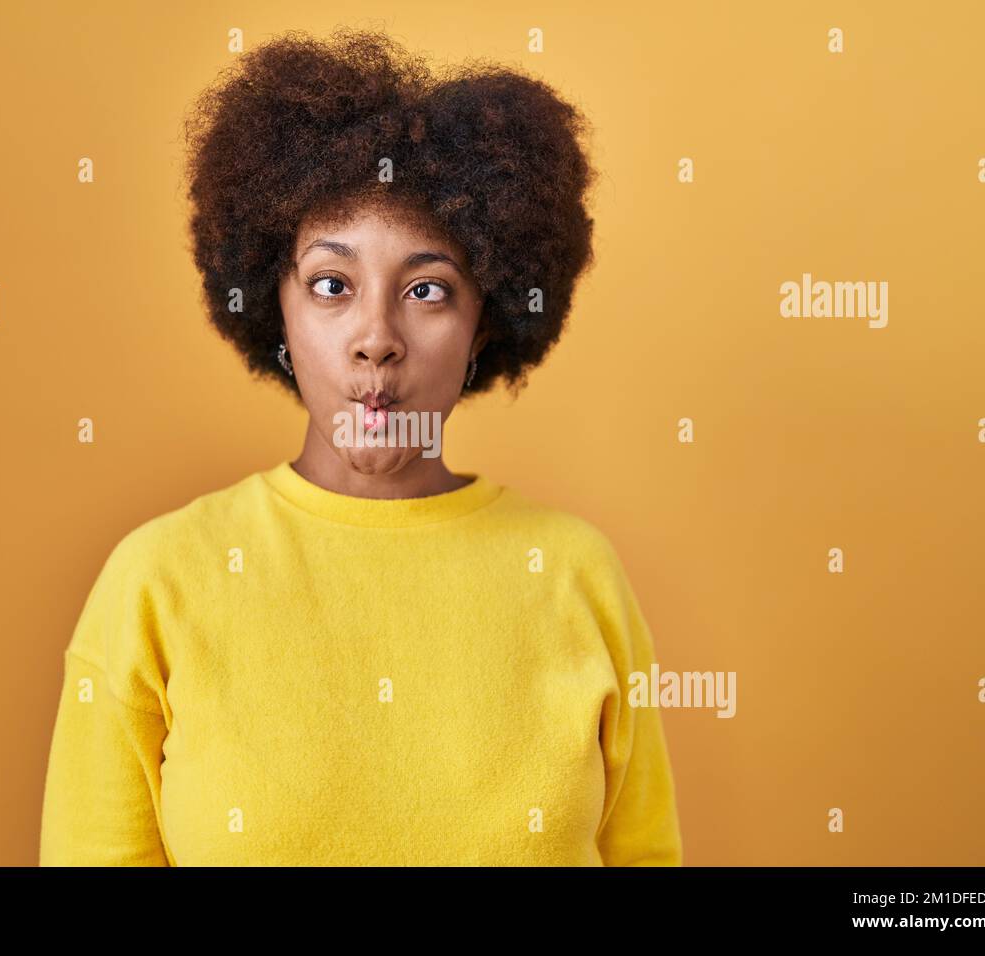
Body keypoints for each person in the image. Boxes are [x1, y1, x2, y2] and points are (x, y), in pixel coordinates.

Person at [39, 27, 681, 866]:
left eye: (426, 290)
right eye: (332, 285)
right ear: (278, 306)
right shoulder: (156, 584)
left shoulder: (577, 577)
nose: (376, 338)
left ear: (485, 321)